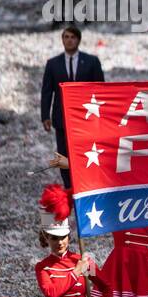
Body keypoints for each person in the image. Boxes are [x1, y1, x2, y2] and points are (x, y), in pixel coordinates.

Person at [40, 25, 105, 187]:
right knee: (63, 153)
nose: (69, 40)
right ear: (62, 40)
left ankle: (85, 182)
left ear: (78, 40)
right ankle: (69, 185)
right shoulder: (53, 64)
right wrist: (45, 115)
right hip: (61, 117)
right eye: (66, 37)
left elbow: (101, 89)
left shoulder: (91, 62)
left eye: (72, 37)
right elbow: (47, 91)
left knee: (85, 152)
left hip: (85, 117)